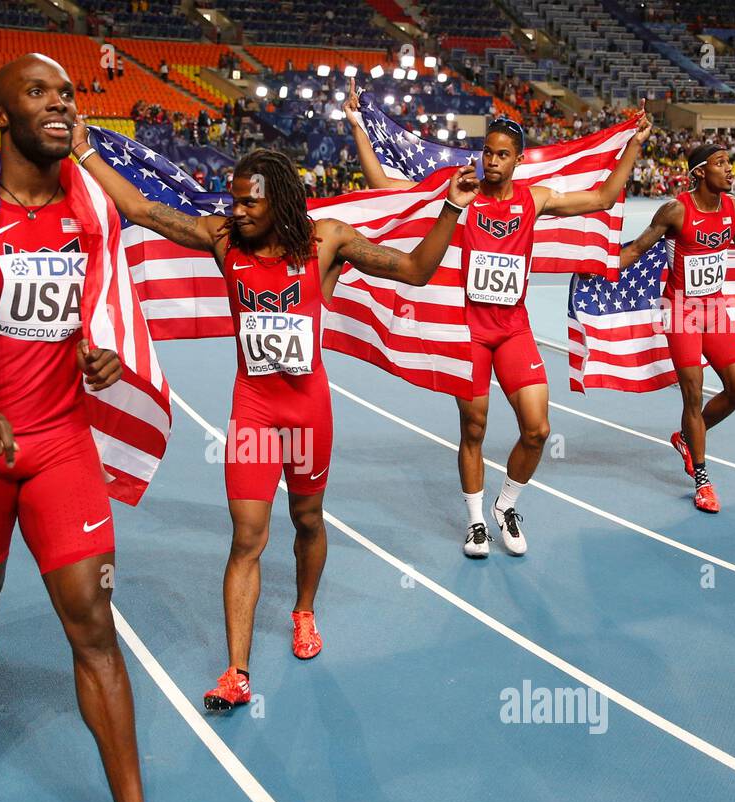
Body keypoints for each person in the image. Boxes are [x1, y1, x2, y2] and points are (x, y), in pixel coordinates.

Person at [71, 112, 478, 712]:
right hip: (255, 410)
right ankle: (236, 671)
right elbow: (143, 211)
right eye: (233, 201)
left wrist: (453, 207)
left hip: (309, 410)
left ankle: (304, 610)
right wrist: (84, 153)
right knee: (247, 538)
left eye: (248, 203)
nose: (237, 211)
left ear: (280, 199)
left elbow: (415, 271)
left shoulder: (327, 242)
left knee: (308, 521)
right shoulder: (222, 240)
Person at [0, 53, 206, 802]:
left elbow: (83, 307)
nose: (60, 103)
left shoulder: (85, 210)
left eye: (68, 93)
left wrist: (96, 353)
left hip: (59, 444)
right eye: (39, 93)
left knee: (92, 626)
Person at [346, 82, 650, 556]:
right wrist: (358, 127)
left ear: (517, 160)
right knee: (474, 429)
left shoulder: (536, 199)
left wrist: (633, 145)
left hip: (512, 329)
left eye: (502, 154)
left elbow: (604, 198)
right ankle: (474, 522)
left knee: (538, 429)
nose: (491, 161)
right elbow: (385, 187)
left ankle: (506, 505)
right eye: (487, 152)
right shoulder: (462, 194)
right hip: (467, 329)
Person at [618, 143, 735, 513]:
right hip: (682, 311)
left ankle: (688, 436)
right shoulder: (676, 211)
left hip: (715, 309)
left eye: (729, 163)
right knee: (693, 394)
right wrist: (602, 266)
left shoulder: (731, 207)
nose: (730, 170)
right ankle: (702, 480)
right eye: (721, 164)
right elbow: (638, 248)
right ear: (700, 171)